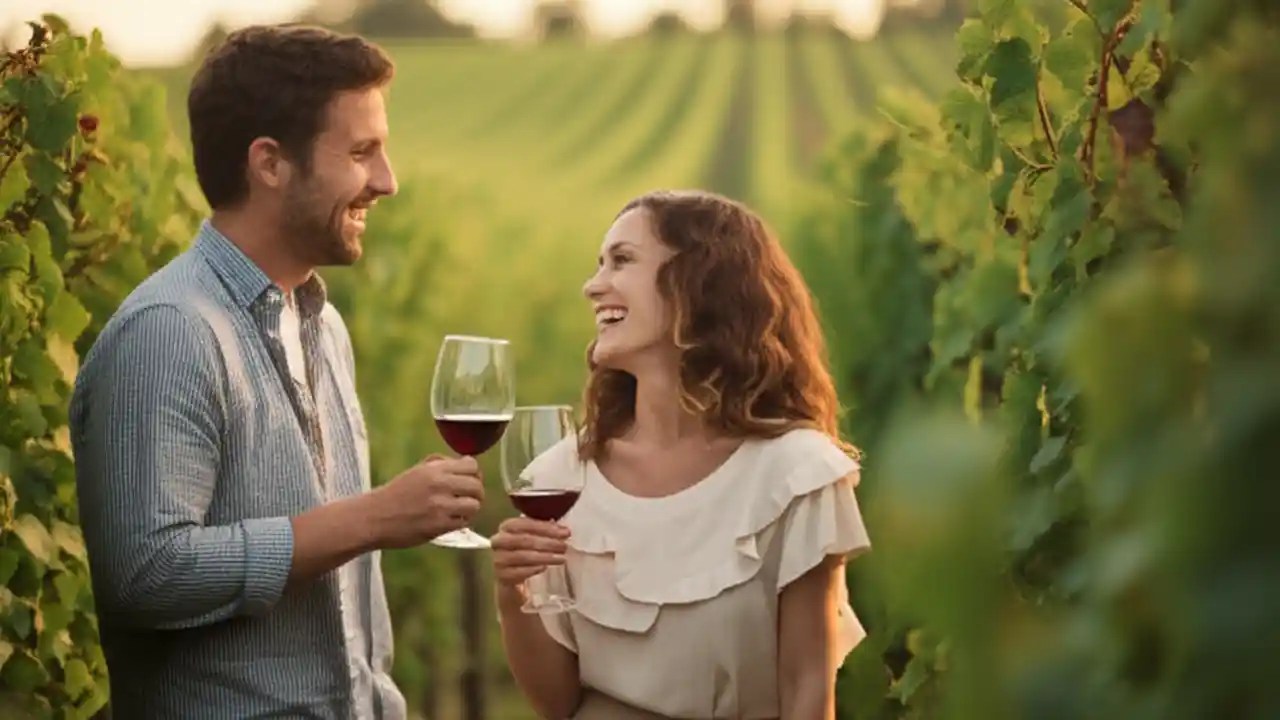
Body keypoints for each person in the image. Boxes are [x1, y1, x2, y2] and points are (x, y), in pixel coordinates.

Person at [68, 25, 483, 718]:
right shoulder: (171, 332)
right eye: (361, 152)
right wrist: (371, 518)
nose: (387, 181)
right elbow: (144, 576)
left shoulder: (323, 322)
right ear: (269, 164)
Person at [491, 189, 873, 719]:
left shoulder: (796, 475)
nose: (593, 285)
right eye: (599, 264)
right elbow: (557, 704)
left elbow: (808, 695)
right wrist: (514, 592)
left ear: (701, 283)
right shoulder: (561, 477)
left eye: (622, 261)